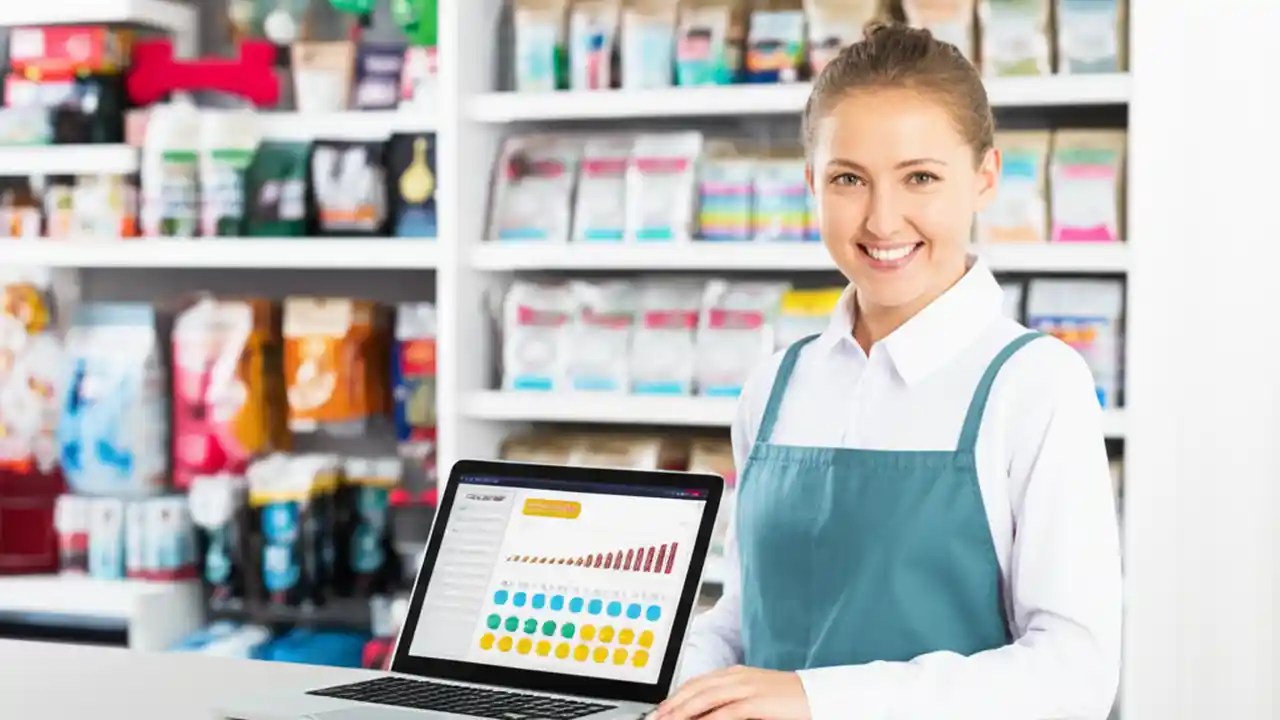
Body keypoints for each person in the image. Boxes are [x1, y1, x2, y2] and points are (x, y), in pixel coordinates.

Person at [656, 23, 1123, 720]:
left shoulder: (1032, 384)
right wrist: (664, 689)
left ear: (984, 177)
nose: (881, 219)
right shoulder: (776, 386)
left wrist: (816, 699)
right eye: (849, 179)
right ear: (811, 181)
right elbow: (745, 618)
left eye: (921, 178)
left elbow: (1073, 673)